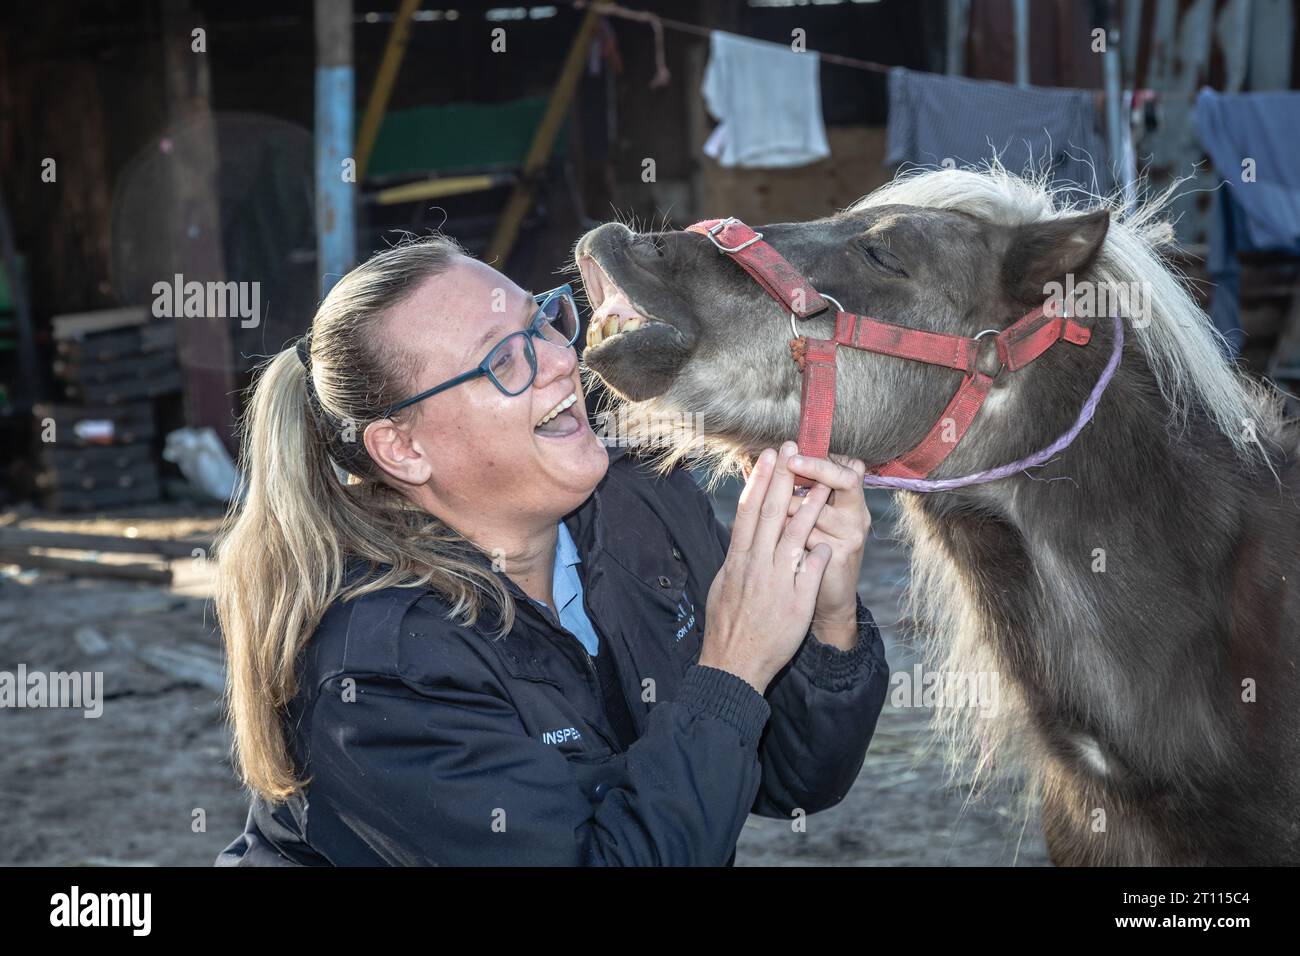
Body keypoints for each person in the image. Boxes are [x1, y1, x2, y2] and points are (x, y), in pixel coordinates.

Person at [212, 235, 889, 866]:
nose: (566, 359)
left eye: (540, 323)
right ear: (403, 448)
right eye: (502, 360)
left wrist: (828, 625)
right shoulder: (381, 675)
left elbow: (793, 781)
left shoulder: (642, 501)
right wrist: (733, 667)